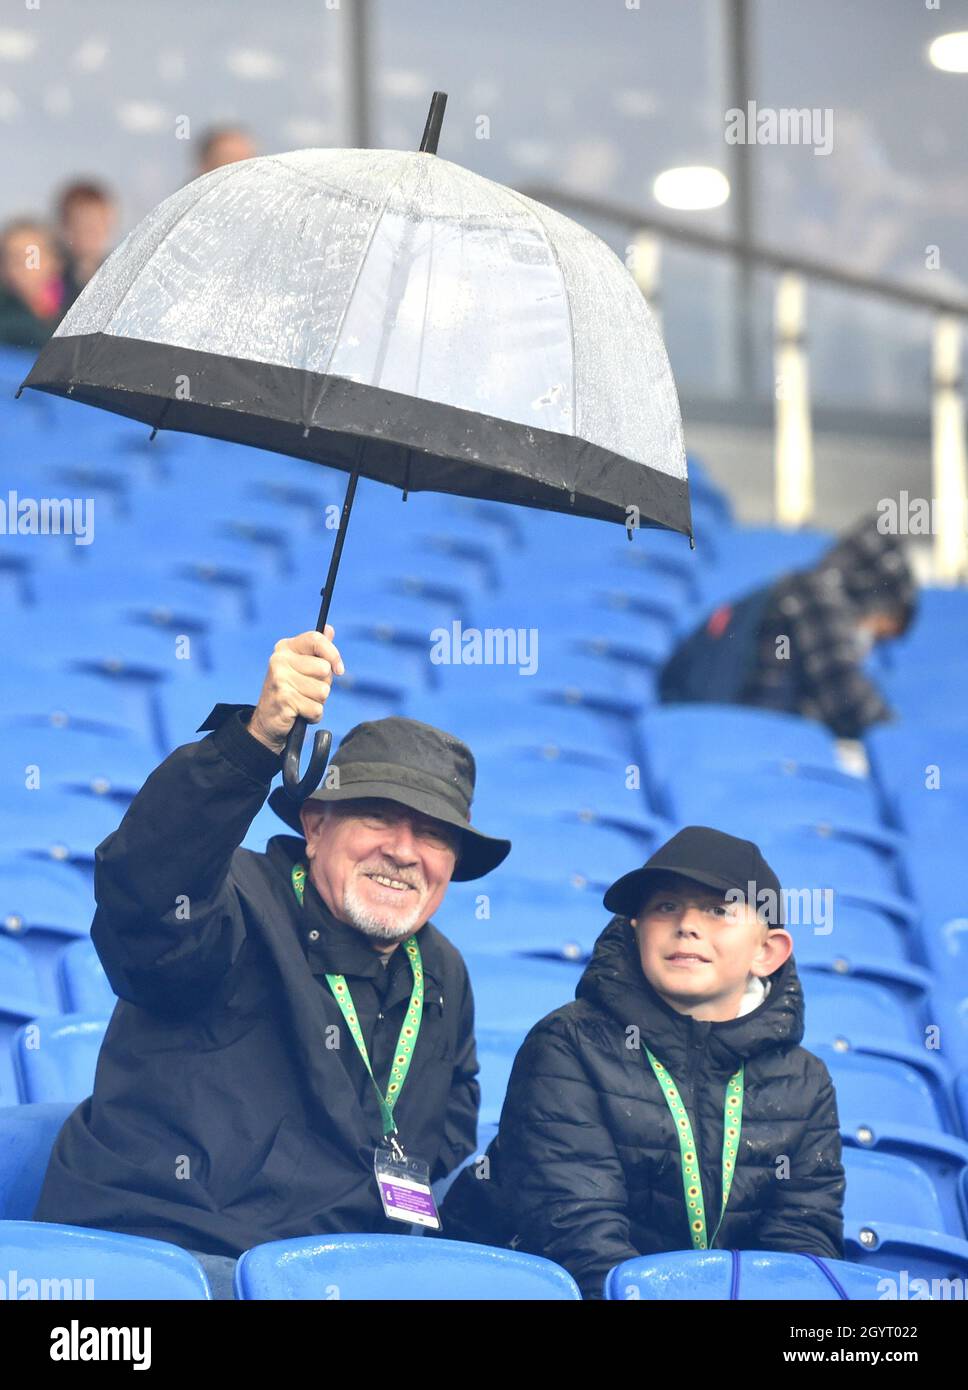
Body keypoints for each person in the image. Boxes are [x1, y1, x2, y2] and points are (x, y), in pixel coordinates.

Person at [32, 628, 510, 1299]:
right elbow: (142, 892)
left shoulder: (444, 975)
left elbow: (447, 1130)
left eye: (433, 833)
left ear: (452, 865)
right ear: (315, 826)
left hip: (330, 1279)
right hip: (162, 1258)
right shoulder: (228, 900)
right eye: (377, 816)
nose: (404, 850)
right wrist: (253, 742)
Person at [442, 826, 845, 1299]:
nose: (687, 924)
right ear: (636, 930)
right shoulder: (568, 1044)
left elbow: (799, 1252)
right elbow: (582, 1240)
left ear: (767, 952)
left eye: (718, 910)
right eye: (665, 906)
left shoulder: (806, 1082)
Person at [658, 515, 917, 739]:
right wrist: (896, 744)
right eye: (885, 627)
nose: (876, 641)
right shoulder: (818, 596)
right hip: (743, 734)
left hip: (738, 729)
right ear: (878, 595)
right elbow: (846, 699)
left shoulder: (802, 588)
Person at [0, 217, 64, 348]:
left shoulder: (80, 303)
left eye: (30, 257)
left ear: (53, 261)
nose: (18, 266)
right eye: (9, 257)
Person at [55, 180, 119, 309]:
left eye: (96, 223)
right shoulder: (52, 282)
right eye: (80, 224)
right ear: (64, 227)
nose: (89, 231)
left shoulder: (120, 275)